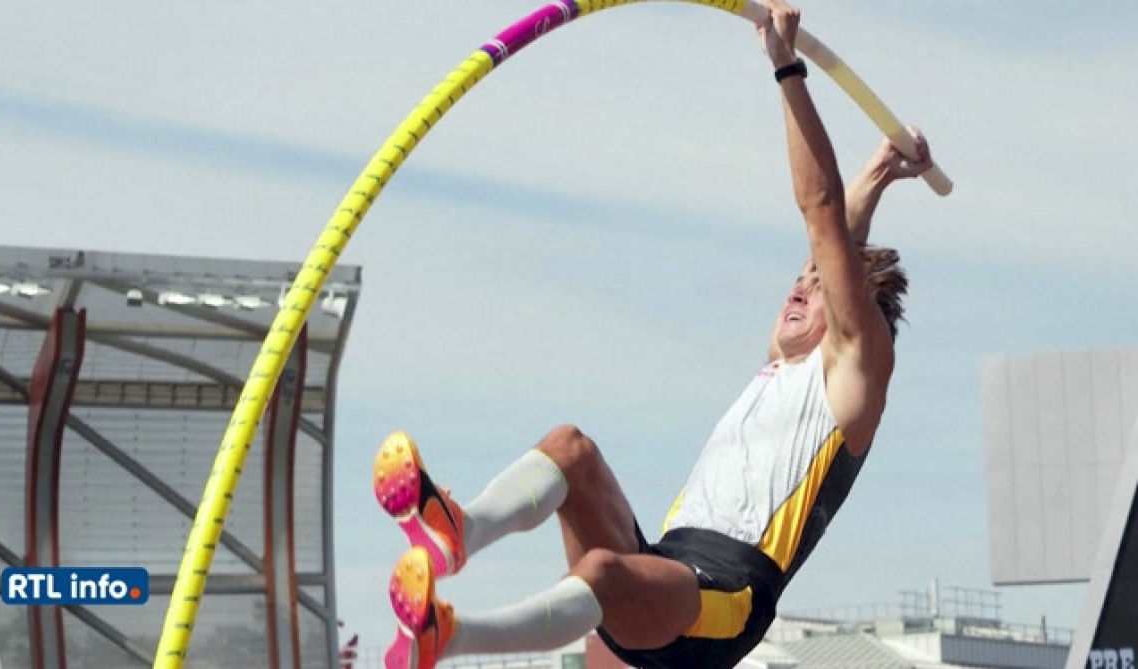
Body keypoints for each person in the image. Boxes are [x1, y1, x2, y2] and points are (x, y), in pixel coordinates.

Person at [373, 2, 934, 667]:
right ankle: (457, 531)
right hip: (661, 567)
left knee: (607, 572)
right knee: (570, 448)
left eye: (819, 285)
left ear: (848, 315)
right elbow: (833, 237)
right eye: (802, 276)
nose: (799, 286)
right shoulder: (782, 364)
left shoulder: (852, 376)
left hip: (724, 598)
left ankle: (449, 635)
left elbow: (821, 218)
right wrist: (879, 171)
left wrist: (786, 67)